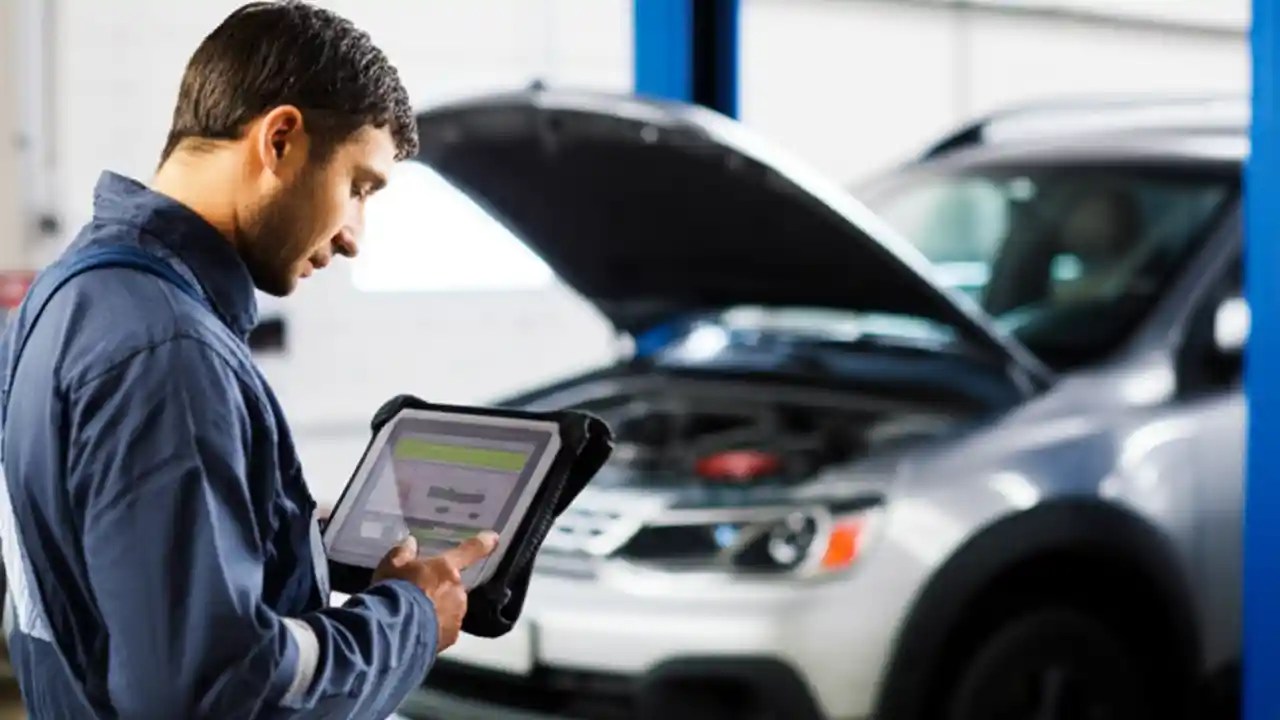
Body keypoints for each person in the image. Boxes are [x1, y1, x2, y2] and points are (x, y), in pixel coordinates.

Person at [0, 2, 497, 717]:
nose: (355, 236)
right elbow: (209, 687)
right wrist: (411, 620)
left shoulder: (71, 295)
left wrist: (285, 526)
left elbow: (110, 573)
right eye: (358, 187)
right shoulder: (169, 352)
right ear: (281, 139)